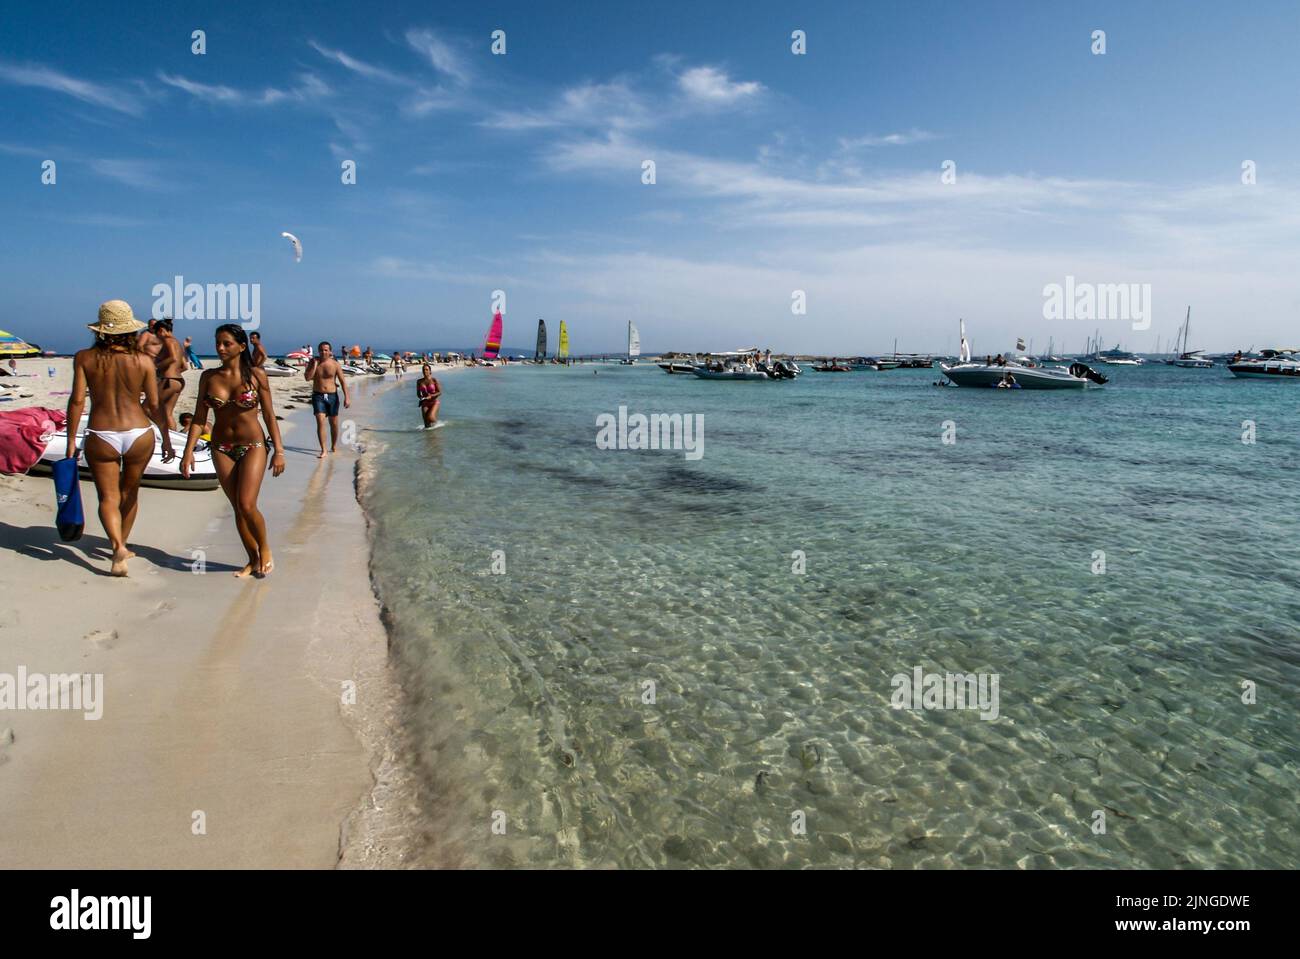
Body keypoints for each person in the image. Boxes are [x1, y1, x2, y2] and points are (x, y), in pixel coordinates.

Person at [66, 300, 174, 577]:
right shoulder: (144, 361)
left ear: (100, 330)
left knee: (108, 496)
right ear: (131, 331)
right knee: (131, 491)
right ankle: (120, 546)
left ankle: (118, 548)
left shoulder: (84, 358)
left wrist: (70, 440)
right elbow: (153, 405)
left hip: (102, 433)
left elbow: (77, 401)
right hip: (138, 432)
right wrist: (166, 436)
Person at [181, 324, 285, 577]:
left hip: (254, 445)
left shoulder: (257, 375)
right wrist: (188, 452)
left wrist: (279, 450)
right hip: (221, 447)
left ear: (241, 346)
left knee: (247, 504)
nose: (220, 348)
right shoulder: (209, 377)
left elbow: (270, 415)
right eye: (218, 342)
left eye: (227, 343)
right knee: (237, 507)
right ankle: (251, 560)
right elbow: (198, 417)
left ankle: (265, 548)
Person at [304, 341, 350, 456]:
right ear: (318, 351)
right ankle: (323, 449)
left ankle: (334, 445)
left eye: (325, 350)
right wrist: (314, 365)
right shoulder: (313, 362)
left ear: (330, 351)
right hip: (318, 395)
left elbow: (343, 381)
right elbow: (307, 378)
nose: (323, 352)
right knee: (320, 421)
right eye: (321, 350)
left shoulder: (335, 364)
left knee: (333, 423)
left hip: (332, 396)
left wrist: (347, 397)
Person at [152, 318, 187, 429]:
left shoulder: (168, 340)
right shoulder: (178, 343)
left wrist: (157, 367)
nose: (157, 337)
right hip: (178, 381)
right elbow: (185, 366)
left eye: (156, 334)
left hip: (168, 380)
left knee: (147, 407)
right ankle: (173, 437)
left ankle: (163, 431)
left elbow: (173, 358)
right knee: (167, 414)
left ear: (161, 330)